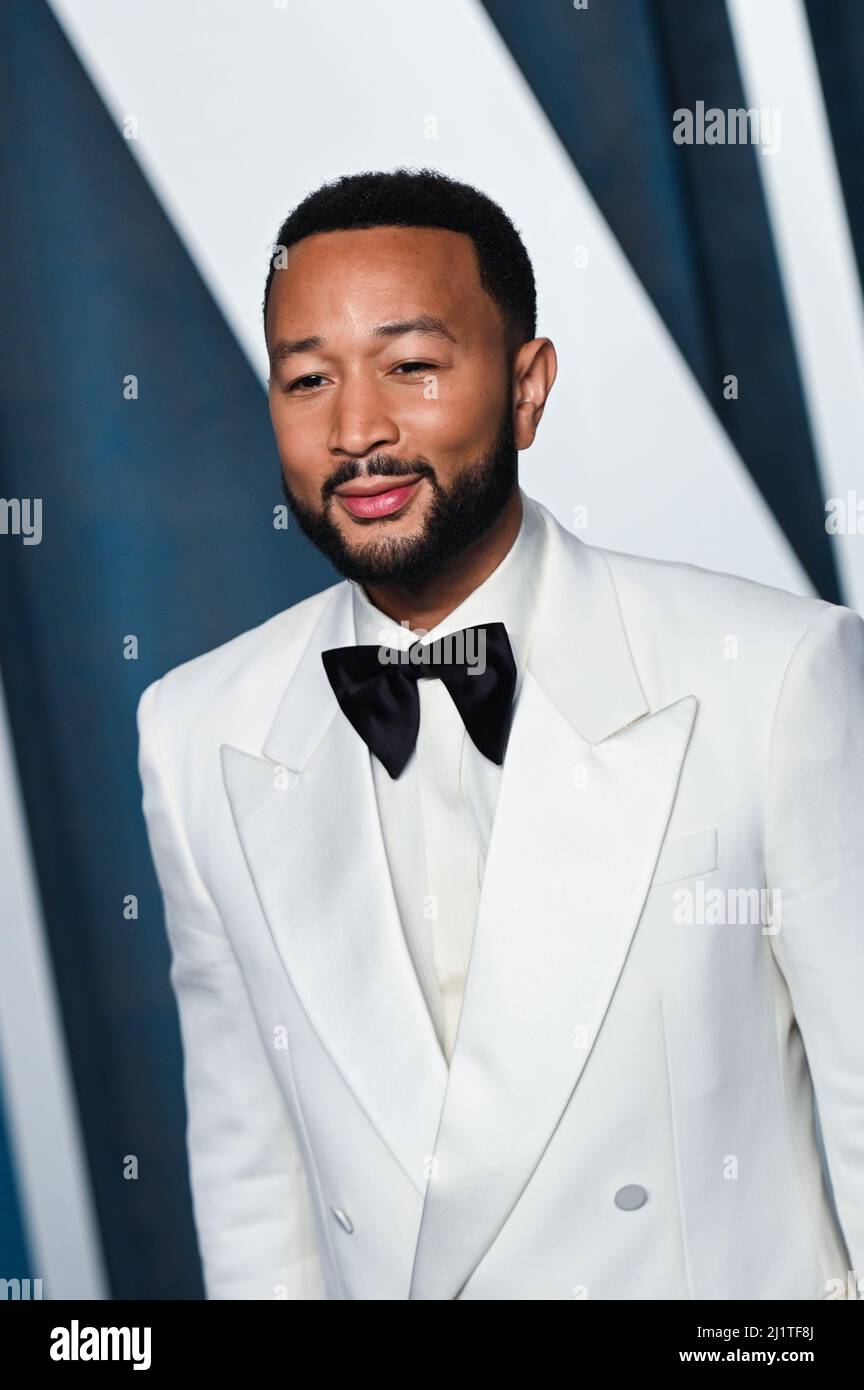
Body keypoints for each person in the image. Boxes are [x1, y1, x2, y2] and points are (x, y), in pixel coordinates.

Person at [137, 167, 864, 1301]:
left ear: (527, 388)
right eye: (307, 378)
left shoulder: (774, 678)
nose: (358, 430)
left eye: (412, 366)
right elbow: (251, 1176)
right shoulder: (195, 729)